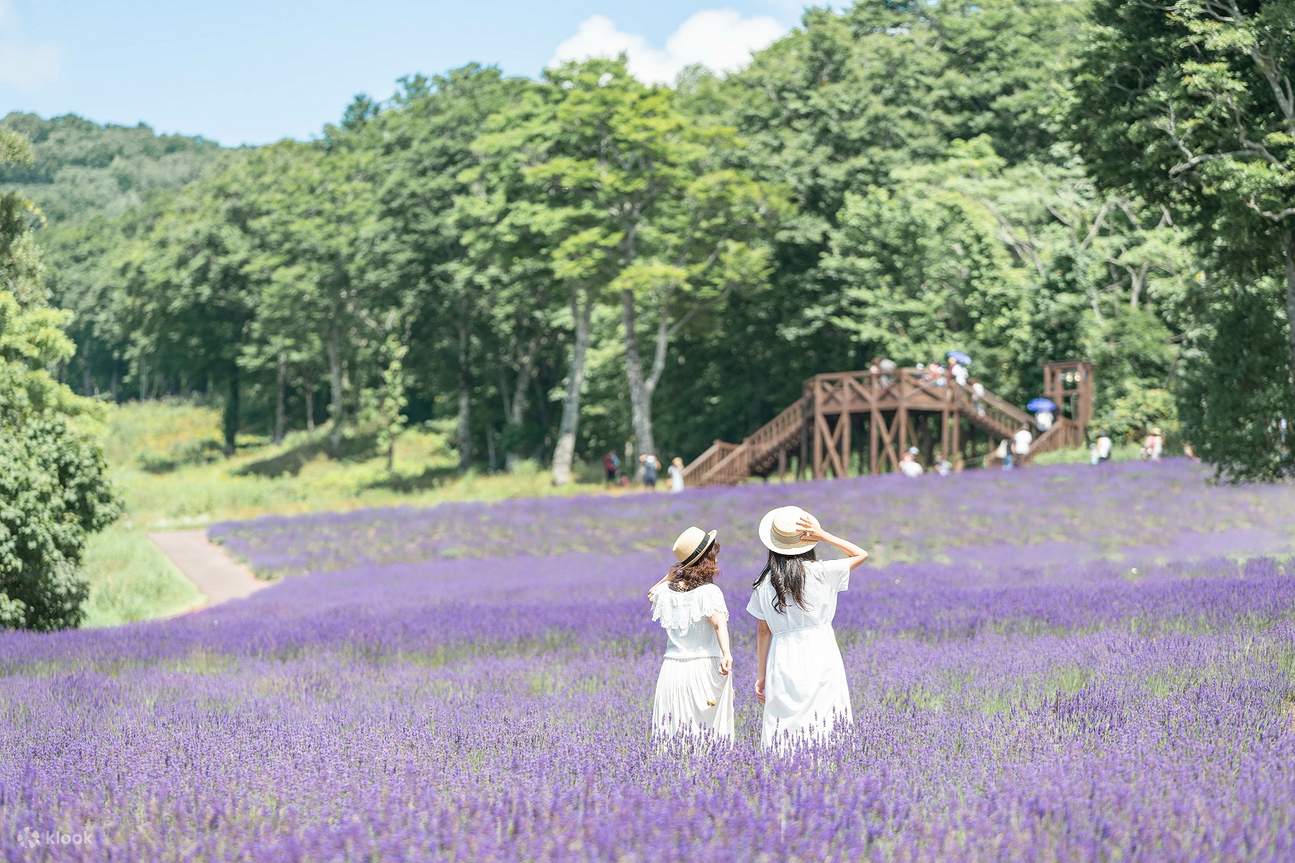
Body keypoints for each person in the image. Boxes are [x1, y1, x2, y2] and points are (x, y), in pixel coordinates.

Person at [748, 506, 868, 751]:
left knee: (784, 722)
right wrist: (823, 535)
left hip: (783, 655)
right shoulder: (822, 572)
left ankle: (785, 776)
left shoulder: (764, 584)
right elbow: (860, 554)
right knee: (825, 717)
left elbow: (763, 631)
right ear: (807, 542)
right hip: (820, 650)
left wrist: (761, 676)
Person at [647, 526, 733, 742]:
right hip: (703, 667)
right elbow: (718, 625)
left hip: (672, 670)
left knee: (673, 731)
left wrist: (668, 577)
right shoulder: (710, 592)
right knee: (708, 734)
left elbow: (651, 593)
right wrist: (727, 654)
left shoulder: (666, 593)